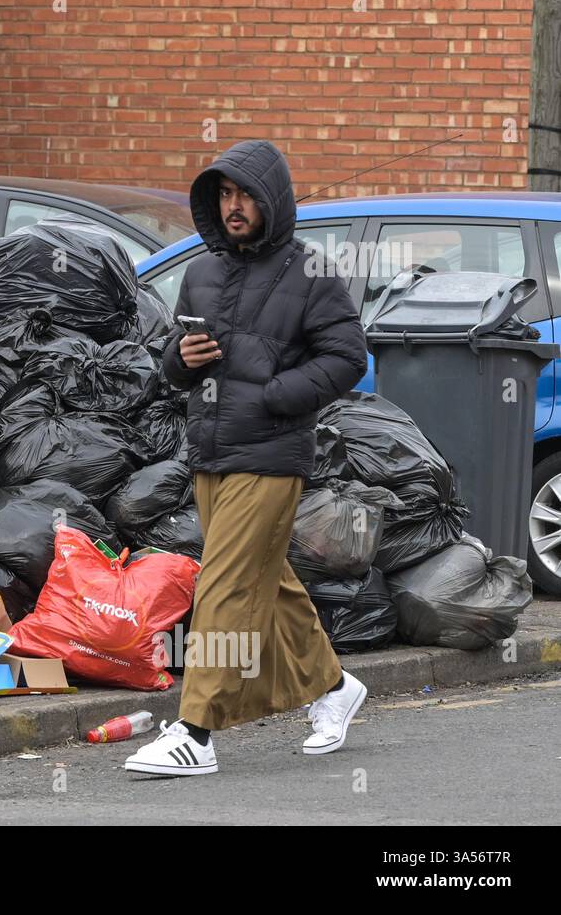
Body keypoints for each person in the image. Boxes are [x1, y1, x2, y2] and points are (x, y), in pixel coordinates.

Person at [124, 140, 370, 777]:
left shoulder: (312, 272)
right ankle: (335, 687)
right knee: (268, 581)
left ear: (273, 201)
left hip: (272, 453)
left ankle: (196, 732)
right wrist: (182, 361)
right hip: (210, 450)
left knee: (226, 586)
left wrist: (280, 396)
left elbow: (347, 358)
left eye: (246, 196)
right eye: (225, 195)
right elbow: (175, 359)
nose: (234, 207)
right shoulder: (202, 270)